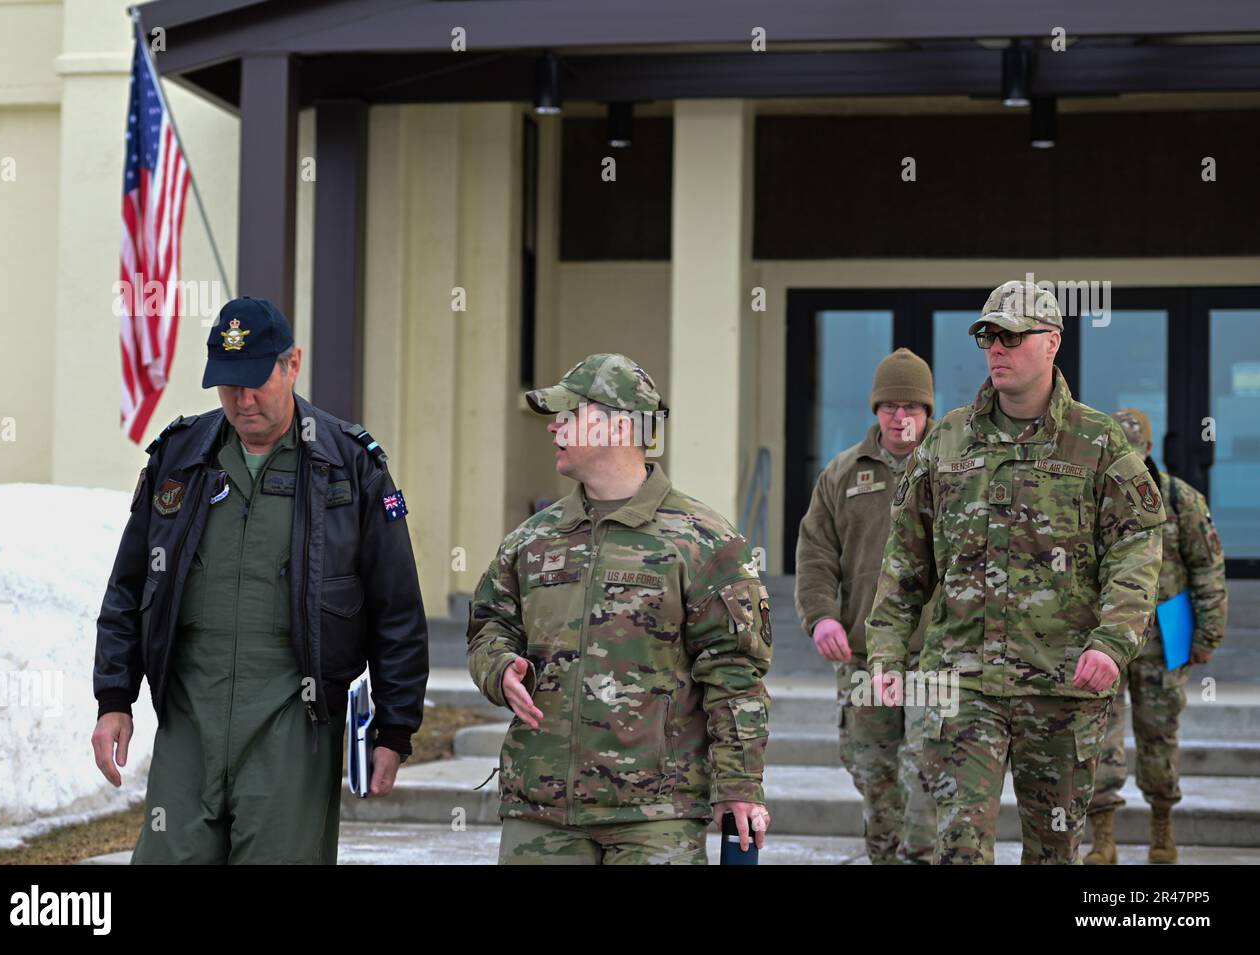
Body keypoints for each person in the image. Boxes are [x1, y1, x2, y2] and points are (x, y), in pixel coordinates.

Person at [91, 296, 430, 863]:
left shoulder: (349, 466)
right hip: (189, 719)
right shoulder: (179, 457)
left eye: (256, 383)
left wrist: (395, 730)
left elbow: (396, 606)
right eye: (228, 387)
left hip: (293, 718)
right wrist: (113, 698)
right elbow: (129, 588)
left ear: (291, 364)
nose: (243, 402)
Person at [866, 280, 1166, 864]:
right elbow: (905, 559)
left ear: (1052, 342)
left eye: (1012, 335)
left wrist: (1114, 640)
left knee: (1054, 851)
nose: (996, 348)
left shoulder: (1097, 442)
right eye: (987, 336)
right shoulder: (946, 441)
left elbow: (1136, 545)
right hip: (962, 683)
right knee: (959, 849)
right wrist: (886, 652)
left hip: (1061, 685)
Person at [467, 353, 773, 864]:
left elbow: (735, 670)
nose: (555, 428)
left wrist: (739, 786)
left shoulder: (702, 540)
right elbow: (489, 627)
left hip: (656, 816)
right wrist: (499, 669)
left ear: (618, 425)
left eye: (569, 415)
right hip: (541, 811)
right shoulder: (533, 538)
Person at [794, 348, 937, 864]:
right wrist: (821, 616)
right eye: (890, 406)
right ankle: (883, 856)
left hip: (932, 655)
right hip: (862, 654)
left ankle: (921, 858)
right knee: (871, 771)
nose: (901, 418)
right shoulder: (843, 473)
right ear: (875, 410)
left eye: (912, 408)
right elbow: (814, 553)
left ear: (928, 412)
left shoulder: (953, 468)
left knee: (926, 767)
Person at [1085, 408, 1228, 865]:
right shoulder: (1091, 498)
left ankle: (1162, 827)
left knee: (1159, 734)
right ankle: (1102, 837)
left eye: (1135, 450)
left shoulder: (1181, 499)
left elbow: (1207, 569)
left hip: (1165, 633)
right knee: (1098, 738)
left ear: (1148, 451)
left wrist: (1207, 633)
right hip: (1104, 638)